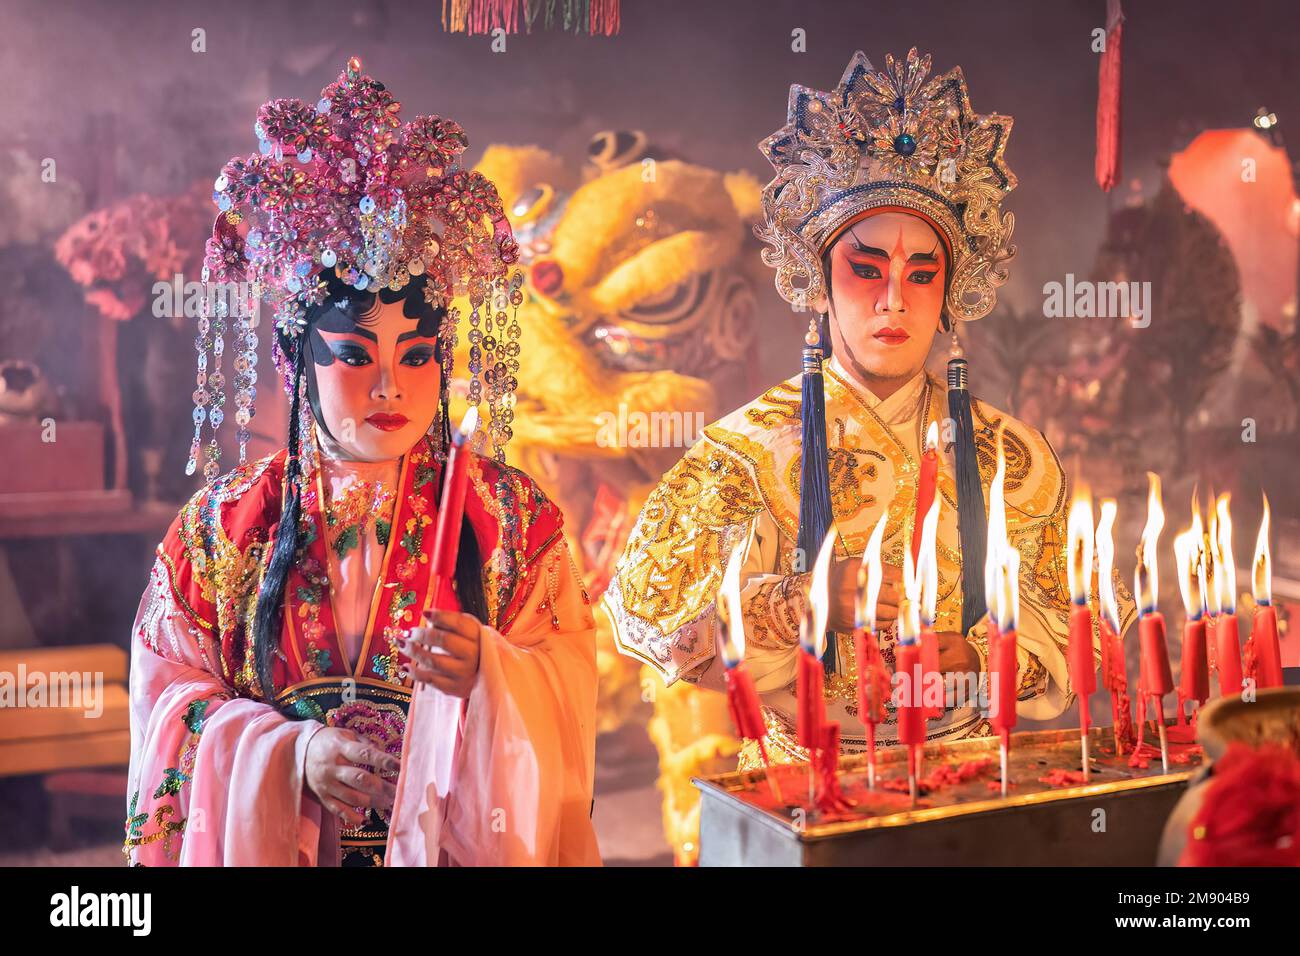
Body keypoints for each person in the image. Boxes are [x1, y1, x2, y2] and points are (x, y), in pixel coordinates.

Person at [125, 58, 601, 866]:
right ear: (293, 360)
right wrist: (287, 758)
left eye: (416, 356)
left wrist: (493, 674)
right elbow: (170, 702)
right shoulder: (219, 530)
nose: (391, 387)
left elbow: (566, 686)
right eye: (353, 355)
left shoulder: (512, 520)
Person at [604, 48, 1136, 769]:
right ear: (818, 283)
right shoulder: (747, 451)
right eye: (865, 269)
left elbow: (1086, 614)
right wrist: (800, 600)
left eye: (923, 273)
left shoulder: (1011, 456)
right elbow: (657, 614)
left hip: (970, 777)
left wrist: (983, 656)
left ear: (950, 290)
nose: (894, 299)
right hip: (802, 780)